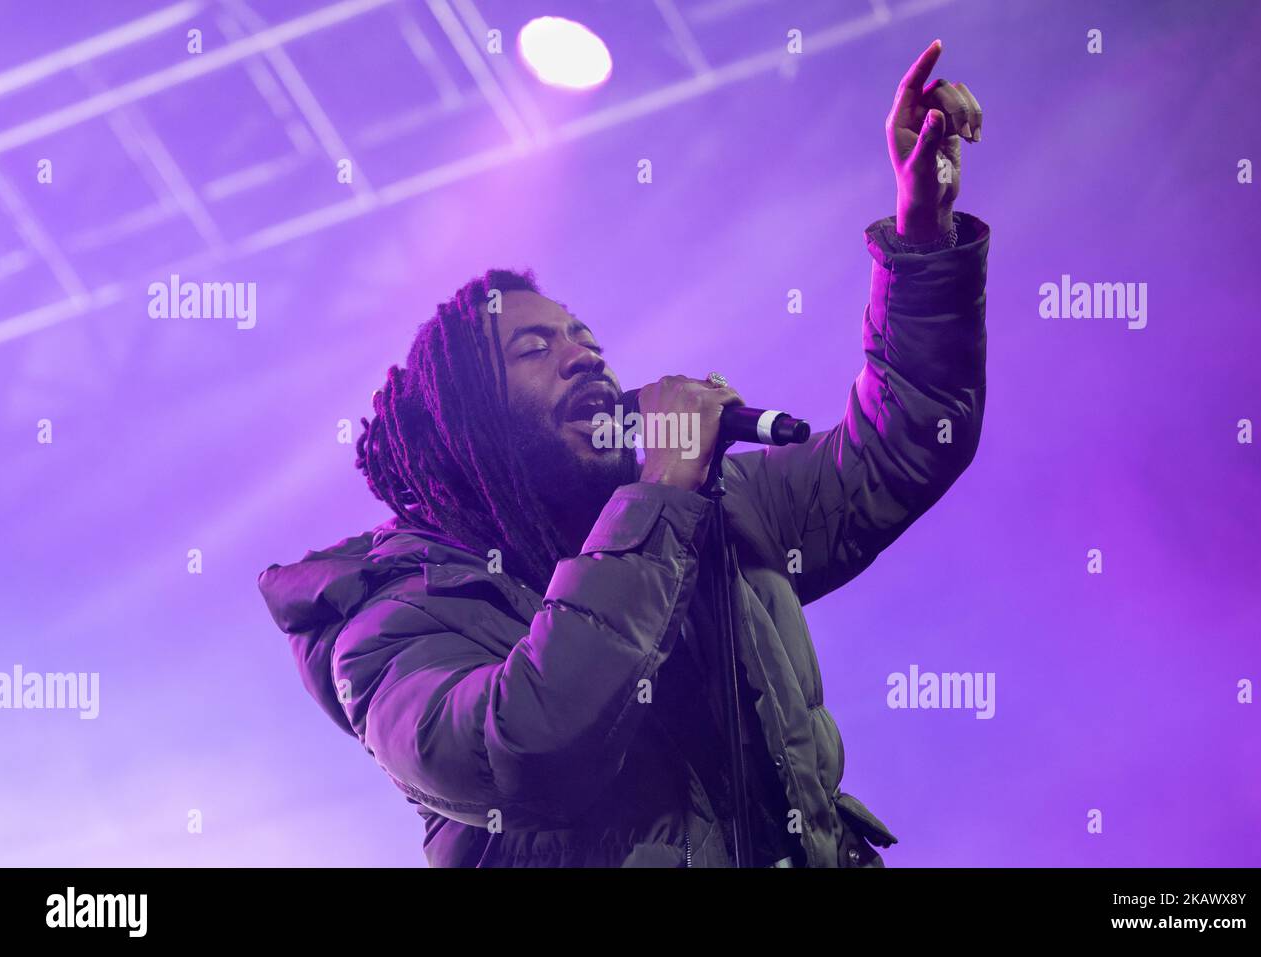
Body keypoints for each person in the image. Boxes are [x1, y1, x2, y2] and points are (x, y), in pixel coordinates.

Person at [258, 40, 988, 867]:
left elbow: (905, 445)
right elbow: (529, 745)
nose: (584, 356)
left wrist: (922, 238)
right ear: (466, 423)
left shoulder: (704, 507)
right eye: (535, 348)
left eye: (586, 338)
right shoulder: (384, 621)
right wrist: (663, 491)